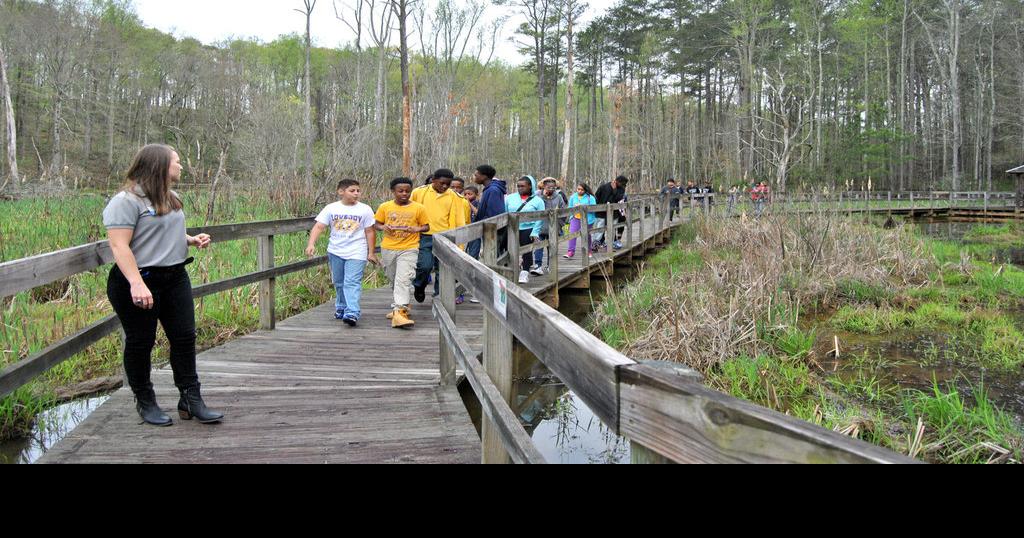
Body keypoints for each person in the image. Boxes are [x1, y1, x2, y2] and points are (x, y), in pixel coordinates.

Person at [103, 144, 223, 427]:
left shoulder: (171, 197)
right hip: (139, 279)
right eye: (177, 162)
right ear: (159, 165)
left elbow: (162, 231)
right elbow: (119, 246)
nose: (181, 166)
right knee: (141, 342)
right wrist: (136, 283)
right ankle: (145, 401)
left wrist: (190, 239)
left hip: (174, 277)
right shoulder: (126, 201)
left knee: (185, 338)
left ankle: (191, 399)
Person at [307, 179, 379, 327]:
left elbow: (370, 231)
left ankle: (352, 312)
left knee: (351, 282)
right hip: (336, 250)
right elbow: (319, 226)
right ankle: (341, 307)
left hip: (357, 250)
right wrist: (311, 244)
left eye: (358, 191)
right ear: (341, 192)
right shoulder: (331, 208)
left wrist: (371, 252)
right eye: (352, 191)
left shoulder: (365, 209)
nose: (356, 194)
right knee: (339, 282)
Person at [374, 178, 430, 329]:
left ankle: (400, 311)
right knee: (393, 278)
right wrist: (384, 227)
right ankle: (398, 307)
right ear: (393, 191)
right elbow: (376, 223)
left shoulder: (419, 208)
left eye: (407, 191)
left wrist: (416, 229)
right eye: (401, 191)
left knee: (404, 279)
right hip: (389, 247)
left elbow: (426, 226)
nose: (404, 194)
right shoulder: (385, 207)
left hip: (410, 247)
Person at [411, 169, 467, 302]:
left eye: (448, 184)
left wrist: (459, 244)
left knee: (442, 269)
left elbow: (460, 221)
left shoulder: (454, 197)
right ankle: (419, 285)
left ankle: (439, 297)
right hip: (424, 236)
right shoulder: (419, 192)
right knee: (424, 265)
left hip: (445, 237)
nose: (445, 187)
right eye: (442, 183)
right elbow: (409, 210)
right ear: (433, 180)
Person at [505, 177, 546, 284]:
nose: (520, 188)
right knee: (510, 250)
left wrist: (535, 232)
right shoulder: (509, 198)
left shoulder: (538, 200)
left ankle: (524, 272)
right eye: (518, 186)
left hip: (528, 228)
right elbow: (504, 213)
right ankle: (511, 270)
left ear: (530, 186)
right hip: (512, 227)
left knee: (526, 250)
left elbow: (541, 217)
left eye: (523, 186)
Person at [470, 164, 508, 260]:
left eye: (476, 175)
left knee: (493, 257)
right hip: (488, 228)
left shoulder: (493, 190)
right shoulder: (489, 189)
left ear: (484, 176)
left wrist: (482, 221)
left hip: (492, 229)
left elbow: (495, 213)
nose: (474, 177)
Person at [532, 178, 567, 276]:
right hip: (539, 226)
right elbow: (533, 207)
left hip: (553, 226)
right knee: (539, 246)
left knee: (551, 247)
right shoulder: (537, 195)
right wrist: (544, 196)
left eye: (553, 187)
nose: (551, 189)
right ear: (543, 186)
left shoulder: (558, 196)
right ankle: (538, 266)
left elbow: (563, 211)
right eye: (549, 187)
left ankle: (550, 265)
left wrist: (560, 224)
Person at [594, 176, 628, 251]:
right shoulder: (603, 187)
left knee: (612, 228)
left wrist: (614, 189)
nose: (623, 186)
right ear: (617, 181)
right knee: (600, 227)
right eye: (622, 184)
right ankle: (595, 244)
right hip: (601, 211)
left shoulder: (621, 189)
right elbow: (596, 197)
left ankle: (609, 245)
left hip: (614, 212)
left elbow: (618, 199)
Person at [565, 183, 596, 258]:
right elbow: (570, 208)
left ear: (585, 190)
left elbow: (594, 209)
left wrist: (582, 207)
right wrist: (573, 210)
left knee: (586, 234)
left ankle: (589, 251)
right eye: (578, 189)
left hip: (587, 219)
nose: (580, 191)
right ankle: (570, 252)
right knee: (572, 234)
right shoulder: (573, 197)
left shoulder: (590, 197)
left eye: (582, 190)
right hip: (576, 218)